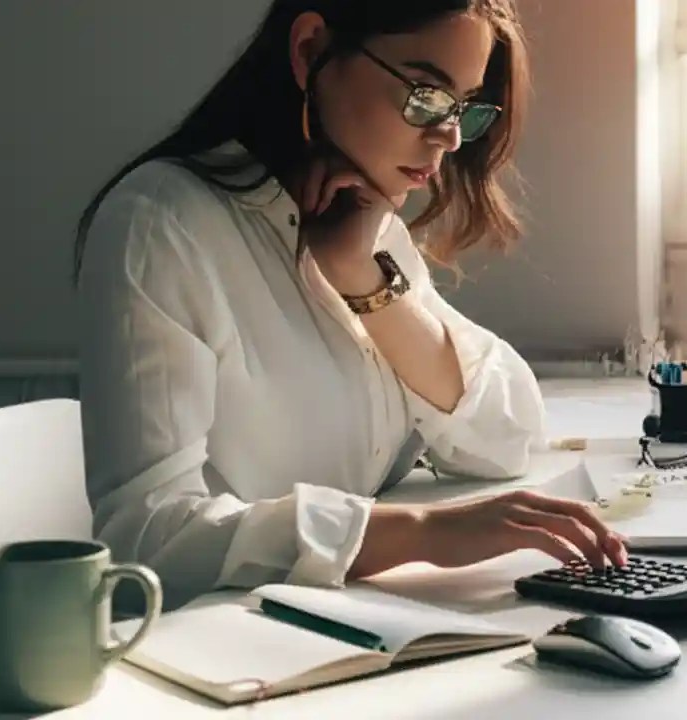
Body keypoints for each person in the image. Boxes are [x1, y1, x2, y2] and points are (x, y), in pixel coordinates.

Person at [75, 0, 627, 611]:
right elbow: (146, 539)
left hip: (366, 618)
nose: (447, 135)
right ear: (310, 51)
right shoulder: (162, 225)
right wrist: (422, 533)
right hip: (225, 655)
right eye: (425, 93)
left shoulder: (362, 217)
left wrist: (361, 278)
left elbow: (509, 432)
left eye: (464, 108)